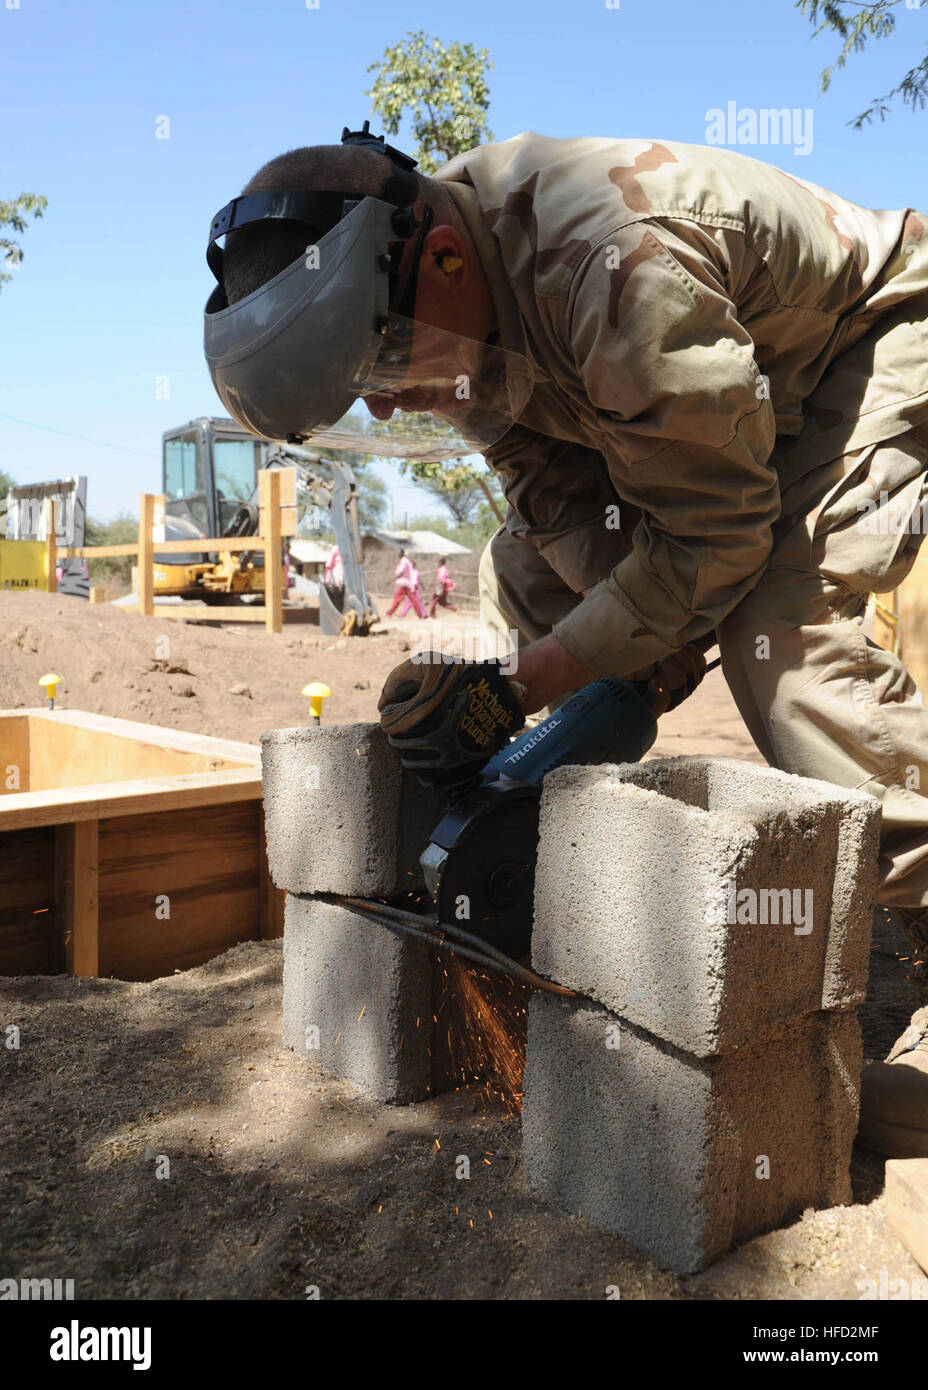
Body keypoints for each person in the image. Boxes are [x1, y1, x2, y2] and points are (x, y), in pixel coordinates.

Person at [205, 123, 928, 1154]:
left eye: (383, 365)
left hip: (868, 338)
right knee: (524, 568)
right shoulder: (428, 295)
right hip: (717, 403)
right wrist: (577, 659)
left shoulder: (609, 262)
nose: (384, 398)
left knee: (783, 638)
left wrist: (523, 681)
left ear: (446, 260)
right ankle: (537, 856)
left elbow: (717, 535)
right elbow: (553, 497)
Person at [384, 548, 425, 619]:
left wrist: (391, 580)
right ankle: (419, 615)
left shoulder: (404, 561)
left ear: (402, 554)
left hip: (404, 584)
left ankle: (389, 613)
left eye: (399, 553)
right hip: (407, 584)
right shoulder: (406, 561)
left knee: (397, 599)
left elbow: (401, 573)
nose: (398, 554)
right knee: (413, 600)